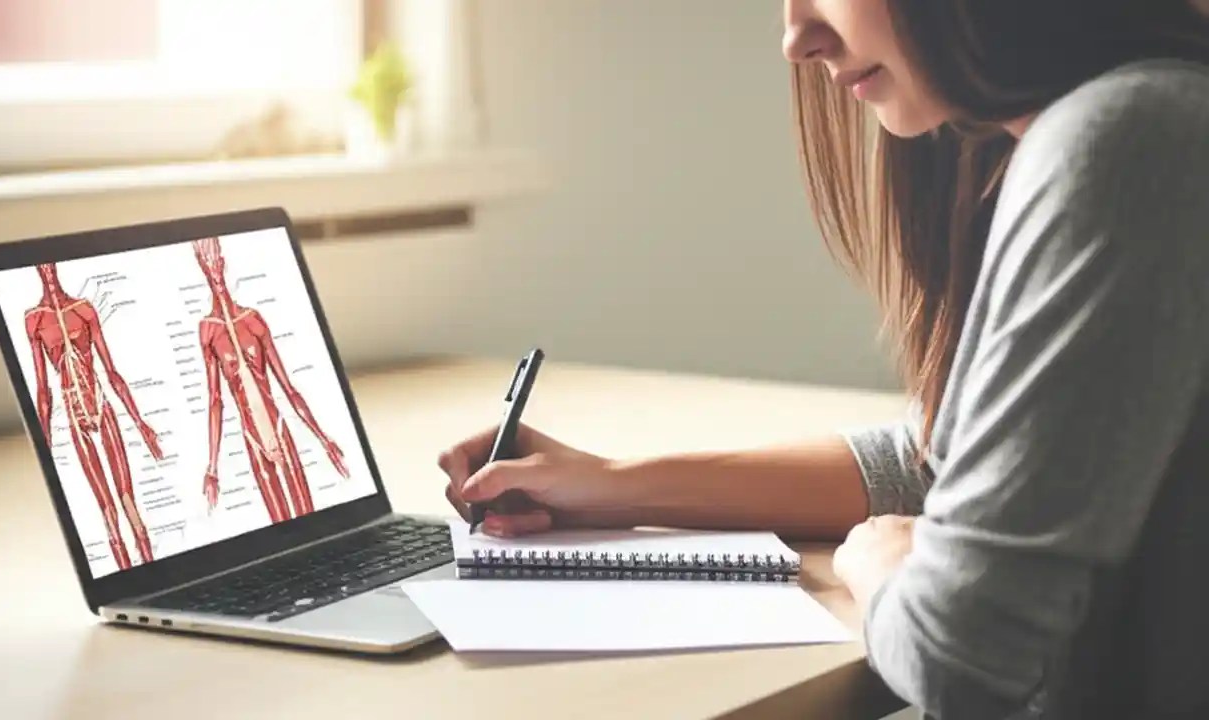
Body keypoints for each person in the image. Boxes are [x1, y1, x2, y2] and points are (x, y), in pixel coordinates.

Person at [440, 1, 1209, 718]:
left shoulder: (1131, 139)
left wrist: (883, 568)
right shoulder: (1120, 127)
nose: (795, 37)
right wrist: (612, 487)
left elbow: (960, 653)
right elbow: (953, 462)